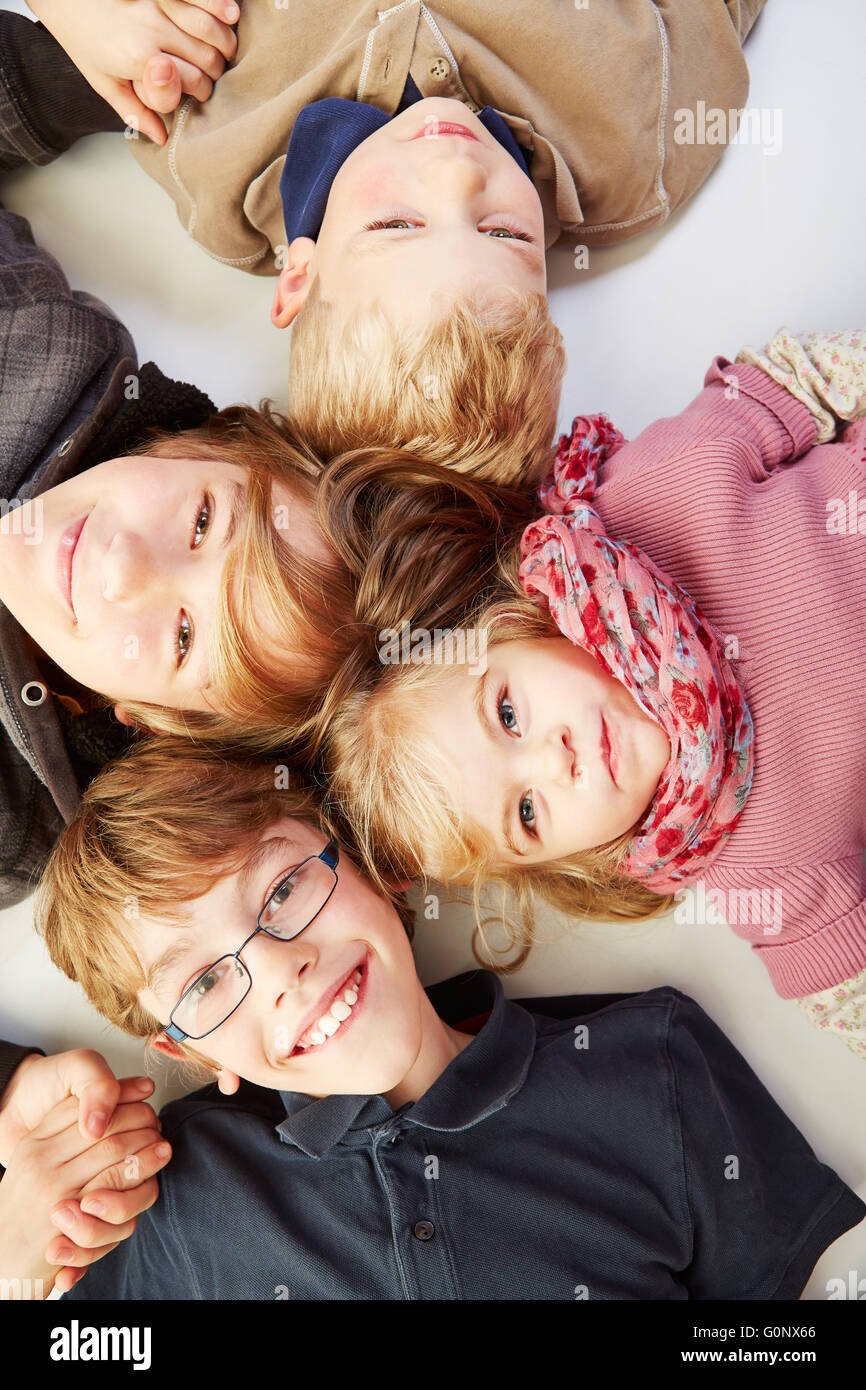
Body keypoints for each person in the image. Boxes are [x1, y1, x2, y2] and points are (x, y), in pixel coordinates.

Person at [34, 738, 863, 1300]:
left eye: (284, 890)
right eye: (209, 984)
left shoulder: (654, 1067)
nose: (283, 969)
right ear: (184, 1049)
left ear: (368, 862)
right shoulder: (181, 1193)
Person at [318, 329, 866, 1054]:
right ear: (565, 862)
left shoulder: (649, 499)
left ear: (515, 626)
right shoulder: (762, 871)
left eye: (508, 713)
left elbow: (792, 382)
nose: (557, 761)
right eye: (527, 812)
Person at [6, 0, 766, 484]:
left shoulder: (216, 163)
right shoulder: (632, 146)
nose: (455, 169)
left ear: (298, 277)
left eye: (397, 225)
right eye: (504, 233)